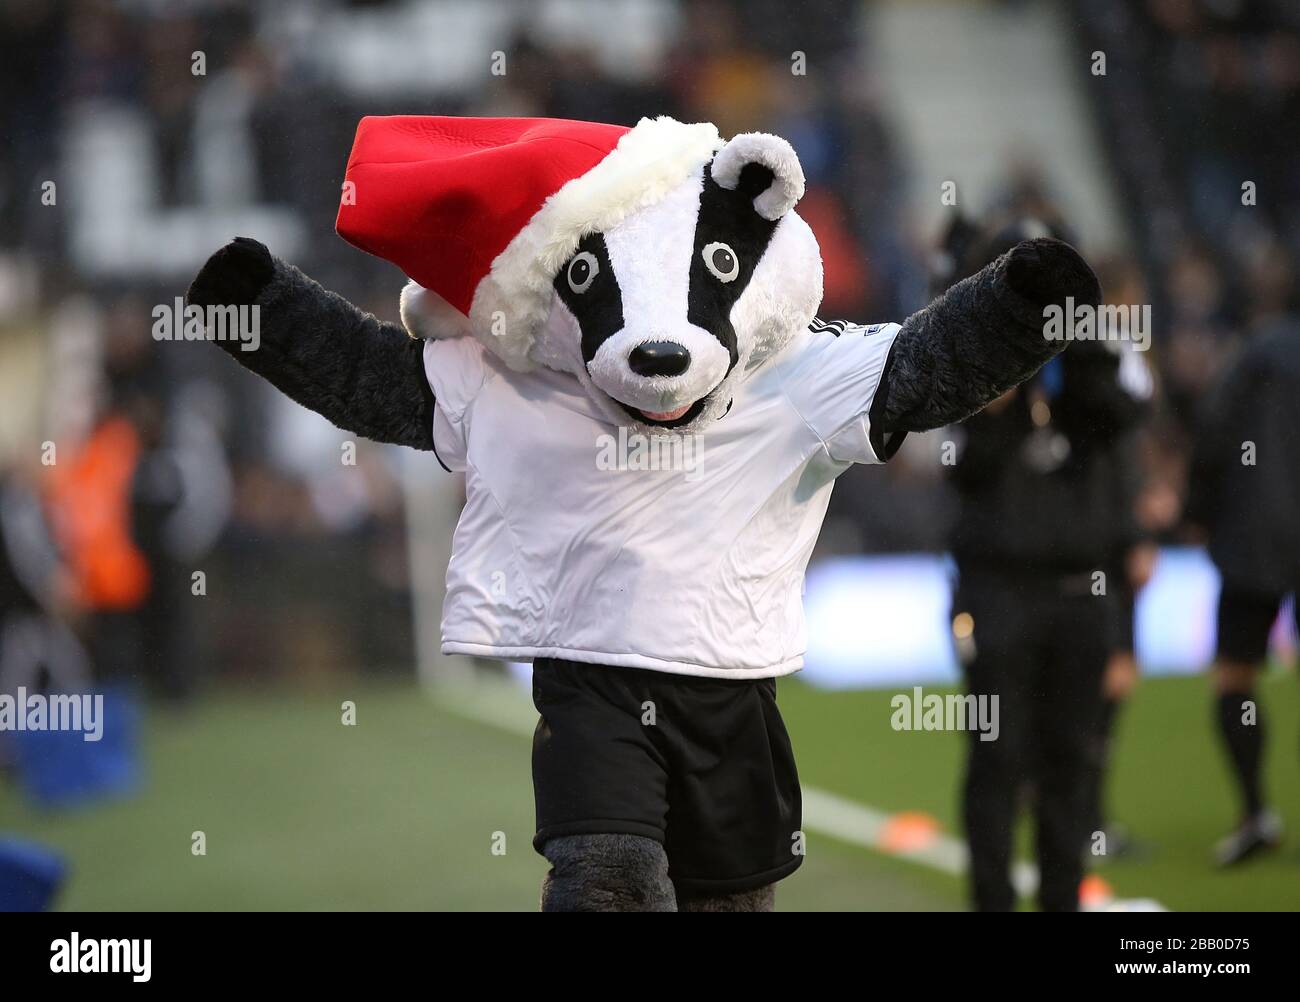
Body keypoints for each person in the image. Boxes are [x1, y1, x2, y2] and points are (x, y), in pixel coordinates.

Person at [944, 215, 1148, 911]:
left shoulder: (1088, 361)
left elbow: (1118, 418)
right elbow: (964, 471)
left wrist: (1075, 340)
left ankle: (1064, 900)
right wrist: (1003, 382)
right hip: (998, 590)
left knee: (1072, 765)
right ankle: (993, 901)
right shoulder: (964, 360)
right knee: (998, 762)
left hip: (1079, 591)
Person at [1184, 316, 1300, 865]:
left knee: (1235, 674)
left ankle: (1255, 813)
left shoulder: (1254, 356)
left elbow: (1214, 435)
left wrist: (1196, 513)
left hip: (1255, 537)